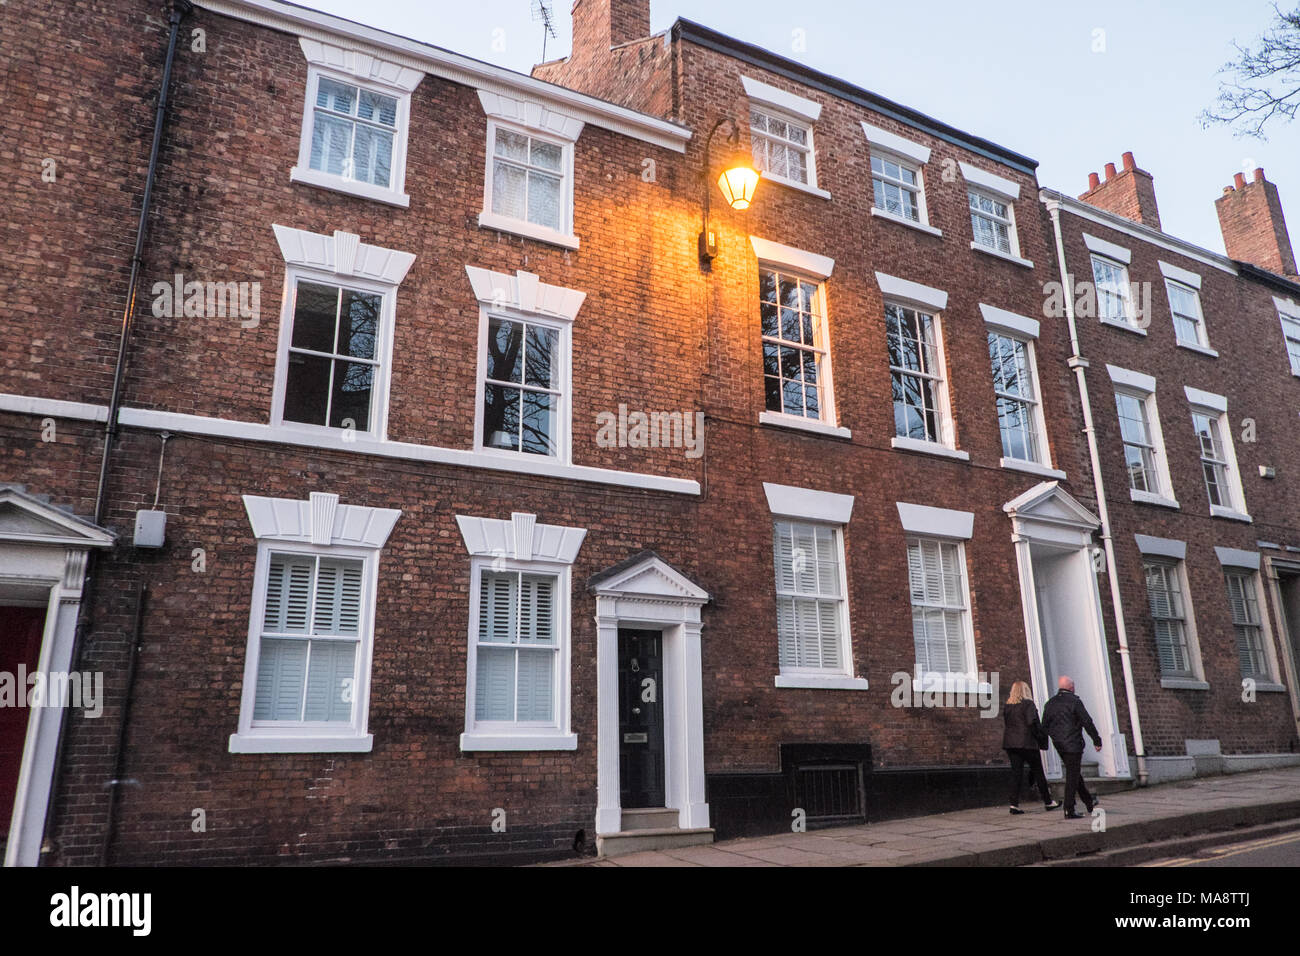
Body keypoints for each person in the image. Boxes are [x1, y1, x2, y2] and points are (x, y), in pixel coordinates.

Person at [1041, 675, 1103, 819]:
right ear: (1071, 687)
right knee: (1072, 775)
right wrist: (1097, 740)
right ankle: (1069, 809)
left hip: (1059, 744)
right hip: (1073, 744)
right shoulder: (1075, 701)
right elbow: (1087, 721)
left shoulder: (1050, 703)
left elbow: (1044, 726)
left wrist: (1049, 740)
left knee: (1074, 773)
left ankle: (1089, 801)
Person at [1001, 680, 1060, 814]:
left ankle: (1014, 804)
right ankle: (1048, 801)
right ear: (1026, 691)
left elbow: (1008, 724)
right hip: (1027, 743)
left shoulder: (1008, 706)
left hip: (1011, 744)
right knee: (1038, 772)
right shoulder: (1028, 704)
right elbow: (1032, 722)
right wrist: (1041, 736)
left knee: (1016, 773)